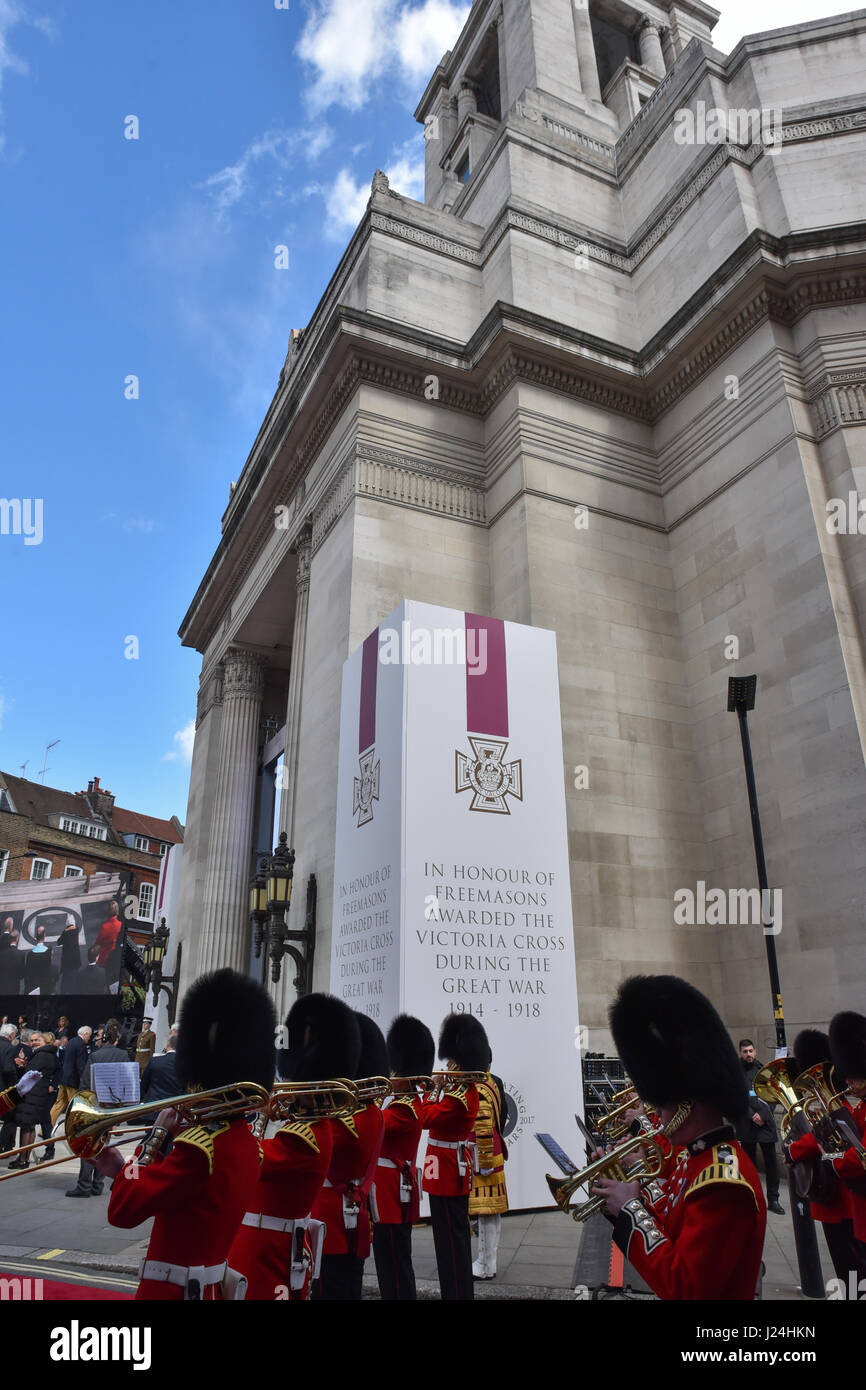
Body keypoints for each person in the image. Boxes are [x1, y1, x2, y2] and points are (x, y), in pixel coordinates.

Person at [92, 968, 276, 1300]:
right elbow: (180, 1196)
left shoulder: (199, 1148)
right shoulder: (247, 1143)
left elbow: (122, 1212)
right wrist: (122, 1170)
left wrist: (154, 1139)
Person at [593, 974, 766, 1301]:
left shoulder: (723, 1184)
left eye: (662, 1105)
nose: (657, 1116)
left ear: (689, 1103)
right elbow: (672, 1222)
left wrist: (630, 1209)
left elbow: (687, 1288)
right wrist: (623, 1194)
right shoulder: (696, 1160)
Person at [231, 993, 361, 1301]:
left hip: (265, 1255)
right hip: (267, 1248)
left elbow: (244, 1160)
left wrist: (235, 1119)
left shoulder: (304, 1137)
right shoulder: (314, 1126)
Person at [312, 1012, 385, 1301]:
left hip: (331, 1223)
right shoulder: (370, 1112)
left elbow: (308, 1144)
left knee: (330, 1288)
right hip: (351, 1220)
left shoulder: (346, 1120)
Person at [786, 1028, 866, 1284]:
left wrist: (798, 1151)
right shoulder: (854, 1104)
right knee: (848, 1271)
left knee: (853, 1270)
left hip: (847, 1194)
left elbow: (836, 1143)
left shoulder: (846, 1106)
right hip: (836, 1193)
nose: (850, 1083)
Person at [419, 1013, 483, 1301]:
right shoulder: (457, 1091)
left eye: (450, 1062)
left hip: (447, 1174)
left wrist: (434, 1090)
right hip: (444, 1172)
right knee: (448, 1245)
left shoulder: (459, 1097)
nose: (446, 1066)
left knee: (451, 1248)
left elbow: (424, 1117)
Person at [373, 1014, 434, 1301]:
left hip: (391, 1196)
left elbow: (371, 1126)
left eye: (395, 1071)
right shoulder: (400, 1102)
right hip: (386, 1195)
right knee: (389, 1266)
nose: (391, 1077)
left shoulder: (406, 1109)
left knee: (395, 1269)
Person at [65, 1020, 129, 1197]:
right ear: (116, 1040)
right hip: (113, 1107)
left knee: (89, 1147)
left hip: (96, 1105)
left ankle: (84, 1186)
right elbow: (126, 1083)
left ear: (105, 1039)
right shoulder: (123, 1055)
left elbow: (85, 1083)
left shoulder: (95, 1055)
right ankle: (97, 1185)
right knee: (104, 1145)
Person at [826, 1011, 866, 1255]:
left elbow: (862, 1156)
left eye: (854, 1079)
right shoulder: (861, 1106)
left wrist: (831, 1162)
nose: (849, 1085)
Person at [470, 1055, 509, 1280]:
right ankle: (489, 1262)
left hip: (483, 1153)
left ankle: (484, 1265)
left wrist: (483, 1159)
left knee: (484, 1211)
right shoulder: (491, 1080)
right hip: (492, 1149)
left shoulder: (478, 1086)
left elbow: (483, 1122)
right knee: (491, 1211)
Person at [734, 1038, 784, 1214]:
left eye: (750, 1051)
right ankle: (752, 1199)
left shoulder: (763, 1070)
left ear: (755, 1051)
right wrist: (751, 1115)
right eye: (745, 1051)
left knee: (771, 1164)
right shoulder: (736, 1072)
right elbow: (735, 1097)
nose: (748, 1054)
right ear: (740, 1053)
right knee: (749, 1165)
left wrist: (762, 1115)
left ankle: (773, 1200)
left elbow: (773, 1094)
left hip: (765, 1123)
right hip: (747, 1124)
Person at [7, 1031, 57, 1170]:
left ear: (45, 1042)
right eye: (33, 1040)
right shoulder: (49, 1054)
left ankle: (23, 1159)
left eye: (38, 1040)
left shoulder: (42, 1055)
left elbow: (30, 1073)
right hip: (38, 1095)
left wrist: (22, 1066)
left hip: (33, 1095)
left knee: (26, 1127)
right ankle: (24, 1158)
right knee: (30, 1127)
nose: (34, 1043)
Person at [51, 1025, 92, 1125]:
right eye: (89, 1036)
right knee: (74, 1106)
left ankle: (46, 1128)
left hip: (64, 1078)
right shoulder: (81, 1044)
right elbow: (80, 1064)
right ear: (85, 1034)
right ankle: (72, 1129)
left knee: (59, 1103)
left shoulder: (71, 1041)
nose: (89, 1038)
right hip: (73, 1080)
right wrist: (84, 1079)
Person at [140, 1032, 179, 1113]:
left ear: (168, 1045)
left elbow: (144, 1084)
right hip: (173, 1112)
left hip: (152, 1110)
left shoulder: (155, 1061)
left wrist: (143, 1101)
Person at [23, 925, 55, 995]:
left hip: (35, 987)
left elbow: (27, 972)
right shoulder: (48, 951)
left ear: (36, 937)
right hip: (47, 987)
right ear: (44, 936)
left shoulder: (30, 954)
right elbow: (51, 968)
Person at [94, 900, 123, 969]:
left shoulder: (105, 926)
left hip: (105, 955)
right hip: (116, 955)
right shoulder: (120, 925)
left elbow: (98, 942)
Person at [58, 919, 82, 995]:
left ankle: (63, 992)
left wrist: (65, 930)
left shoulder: (65, 933)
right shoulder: (76, 930)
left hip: (67, 959)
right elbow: (75, 927)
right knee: (74, 976)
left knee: (65, 977)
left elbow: (59, 942)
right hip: (75, 957)